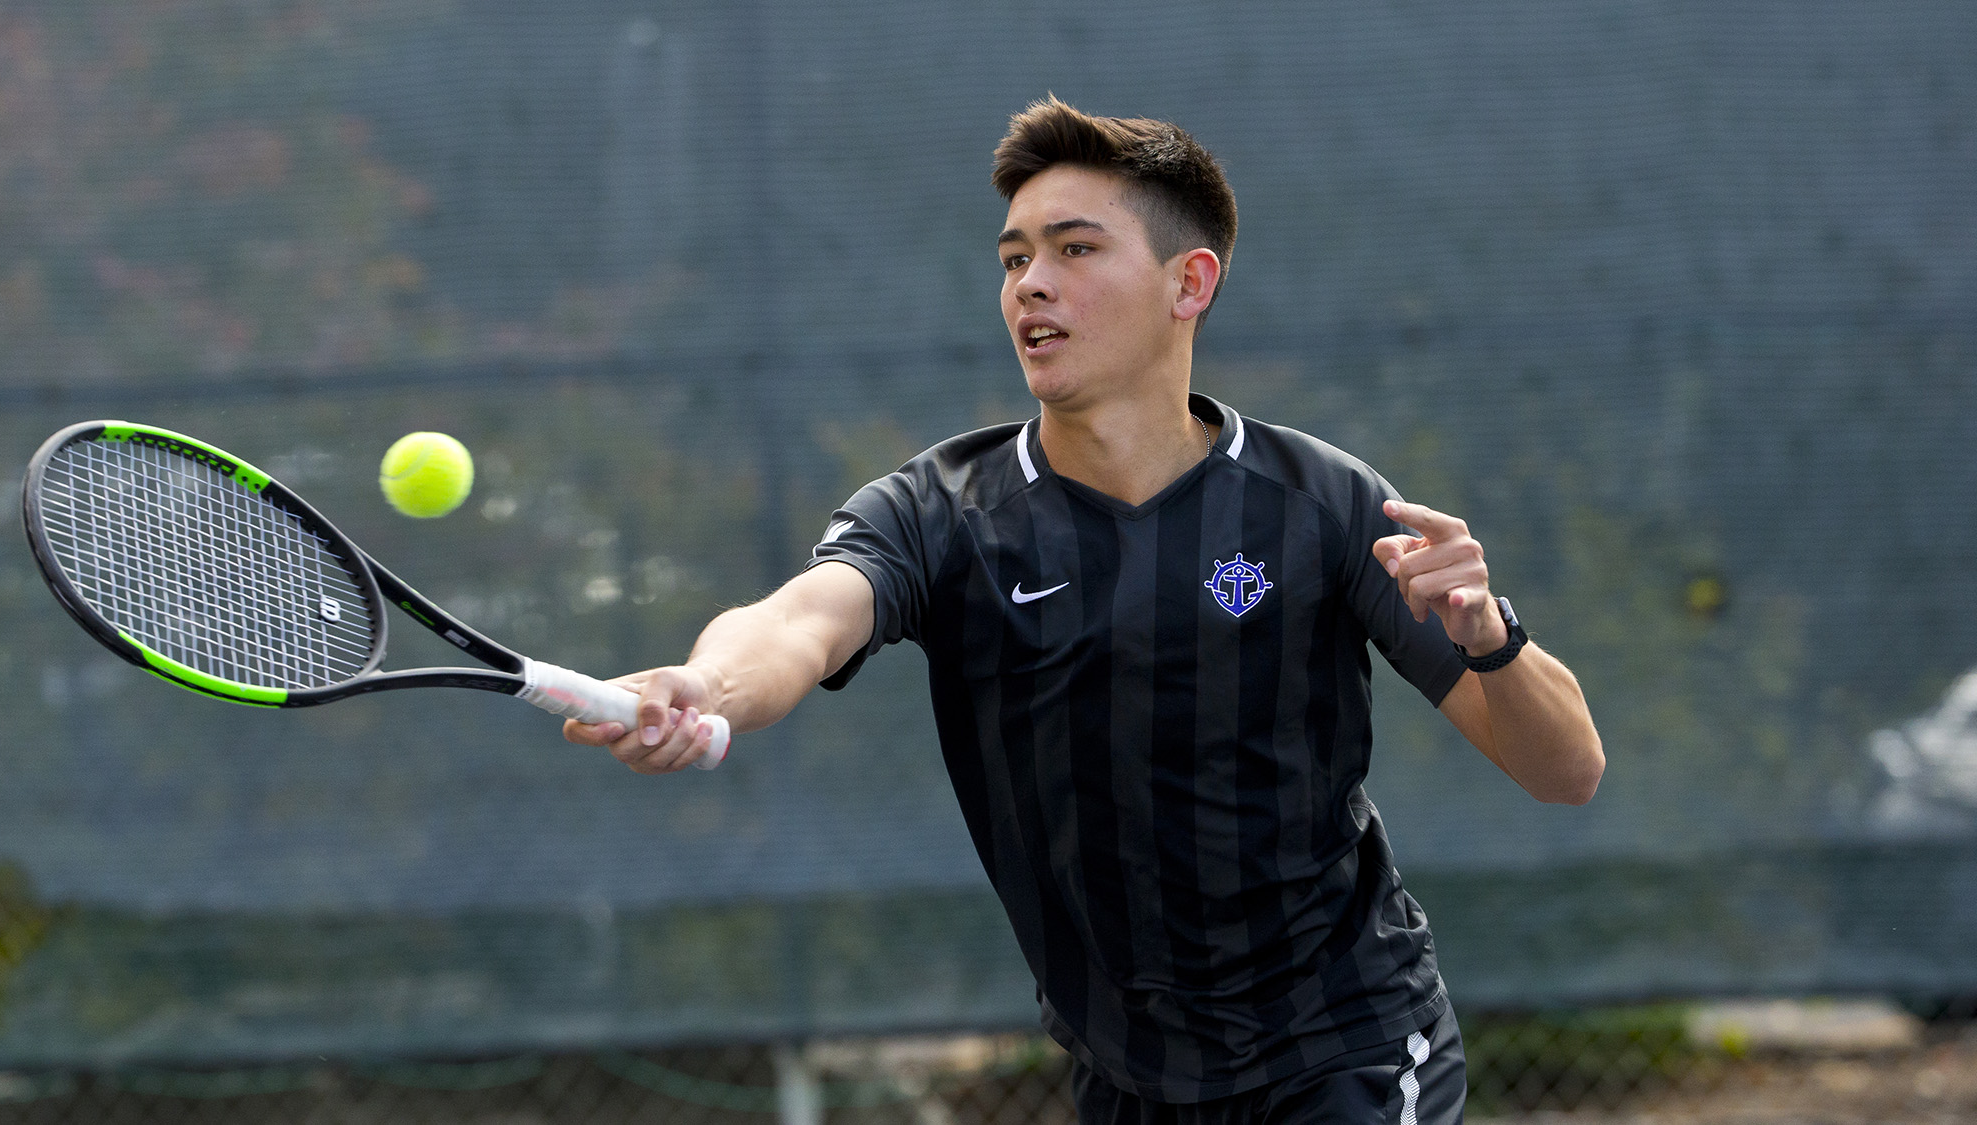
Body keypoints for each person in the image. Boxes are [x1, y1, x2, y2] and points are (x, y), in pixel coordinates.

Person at [564, 96, 1603, 1124]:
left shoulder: (1322, 504)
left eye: (1073, 249)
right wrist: (705, 685)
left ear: (1186, 283)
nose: (1031, 285)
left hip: (1350, 1051)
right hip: (1127, 1080)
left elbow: (1566, 772)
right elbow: (798, 620)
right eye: (1014, 258)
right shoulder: (944, 511)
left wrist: (1489, 639)